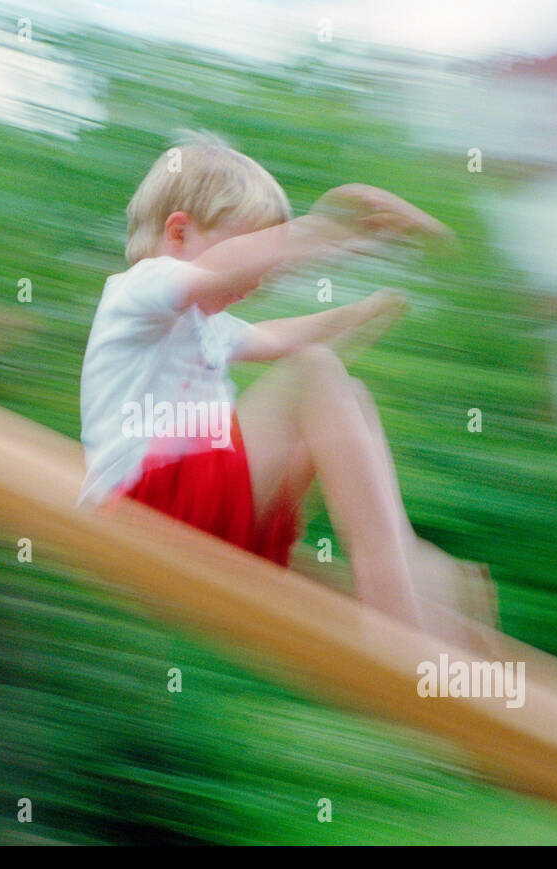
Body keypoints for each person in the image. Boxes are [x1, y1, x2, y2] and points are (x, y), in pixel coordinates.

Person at [80, 135, 492, 639]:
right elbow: (227, 274)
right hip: (154, 504)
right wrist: (330, 229)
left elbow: (272, 336)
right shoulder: (141, 287)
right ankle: (394, 594)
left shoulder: (204, 324)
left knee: (348, 400)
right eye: (255, 255)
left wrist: (350, 314)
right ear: (179, 232)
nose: (259, 279)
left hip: (214, 516)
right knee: (314, 374)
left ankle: (406, 565)